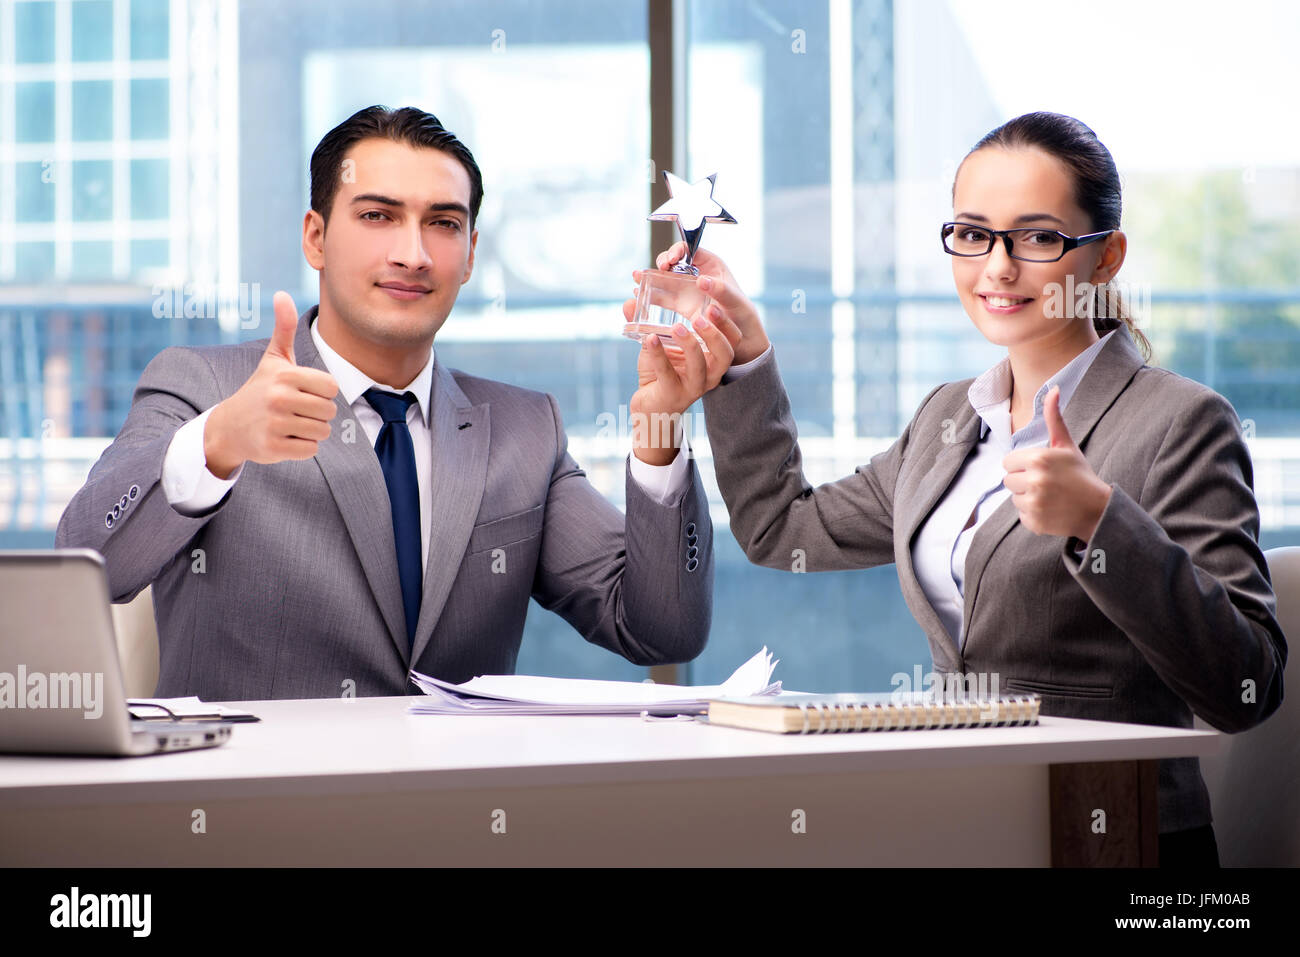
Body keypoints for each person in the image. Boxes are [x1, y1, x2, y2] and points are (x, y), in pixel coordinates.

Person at [631, 112, 1287, 867]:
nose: (997, 268)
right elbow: (785, 529)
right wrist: (744, 356)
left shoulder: (1179, 421)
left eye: (1038, 238)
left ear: (1107, 258)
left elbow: (1248, 684)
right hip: (959, 823)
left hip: (1115, 836)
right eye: (973, 233)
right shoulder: (948, 417)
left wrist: (1099, 524)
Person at [56, 105, 739, 700]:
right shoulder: (202, 387)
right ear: (316, 237)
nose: (413, 253)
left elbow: (661, 629)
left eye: (442, 223)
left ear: (469, 254)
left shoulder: (525, 431)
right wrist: (218, 441)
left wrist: (660, 426)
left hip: (456, 824)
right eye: (378, 215)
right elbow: (88, 562)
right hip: (251, 818)